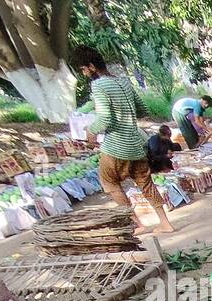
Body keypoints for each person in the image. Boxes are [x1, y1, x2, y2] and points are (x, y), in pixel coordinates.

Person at [72, 45, 175, 234]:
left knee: (110, 183)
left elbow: (105, 119)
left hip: (115, 147)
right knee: (146, 183)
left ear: (91, 66)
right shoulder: (124, 82)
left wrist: (91, 131)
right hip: (137, 145)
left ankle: (138, 224)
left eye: (83, 69)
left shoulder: (99, 85)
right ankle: (165, 223)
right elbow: (143, 110)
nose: (85, 74)